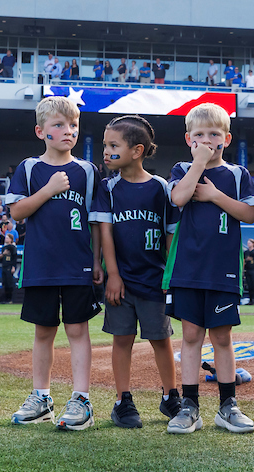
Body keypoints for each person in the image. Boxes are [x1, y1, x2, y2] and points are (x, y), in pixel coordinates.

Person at [162, 102, 254, 435]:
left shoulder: (237, 174)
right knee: (191, 336)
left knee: (222, 336)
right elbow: (178, 198)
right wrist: (198, 164)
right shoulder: (182, 168)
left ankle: (228, 405)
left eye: (214, 134)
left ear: (227, 139)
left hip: (222, 270)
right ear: (188, 139)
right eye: (200, 135)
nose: (207, 140)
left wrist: (215, 195)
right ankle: (189, 406)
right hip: (188, 269)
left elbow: (250, 214)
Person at [6, 96, 102, 431]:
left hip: (78, 265)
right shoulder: (29, 168)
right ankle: (41, 397)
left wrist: (97, 261)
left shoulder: (87, 171)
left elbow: (96, 222)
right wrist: (48, 189)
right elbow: (17, 211)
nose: (68, 131)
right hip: (41, 264)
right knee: (44, 331)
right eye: (58, 125)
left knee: (77, 330)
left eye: (73, 125)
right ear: (40, 131)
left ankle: (81, 398)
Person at [91, 114, 182, 429]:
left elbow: (170, 235)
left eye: (114, 145)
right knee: (122, 339)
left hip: (154, 279)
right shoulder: (108, 187)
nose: (107, 151)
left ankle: (171, 396)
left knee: (161, 339)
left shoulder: (161, 188)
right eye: (105, 145)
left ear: (137, 150)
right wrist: (113, 274)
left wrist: (170, 276)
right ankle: (123, 400)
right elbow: (105, 233)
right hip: (122, 281)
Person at [0, 233, 18, 303]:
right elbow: (0, 257)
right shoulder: (4, 248)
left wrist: (13, 267)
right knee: (5, 282)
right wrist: (3, 254)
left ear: (10, 239)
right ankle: (5, 298)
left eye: (7, 238)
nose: (5, 239)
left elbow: (14, 258)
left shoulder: (13, 247)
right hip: (4, 265)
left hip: (9, 266)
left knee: (9, 282)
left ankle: (10, 299)